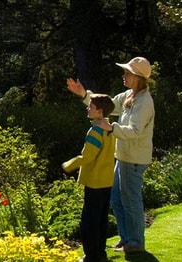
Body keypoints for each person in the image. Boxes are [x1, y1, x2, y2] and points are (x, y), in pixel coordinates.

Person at [67, 57, 155, 255]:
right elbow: (107, 106)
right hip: (123, 156)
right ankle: (126, 239)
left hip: (134, 160)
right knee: (116, 199)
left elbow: (135, 131)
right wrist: (84, 94)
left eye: (127, 73)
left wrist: (111, 127)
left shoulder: (144, 102)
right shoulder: (129, 95)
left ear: (138, 77)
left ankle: (135, 243)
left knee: (131, 201)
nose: (124, 75)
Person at [63, 94, 116, 262]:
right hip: (107, 180)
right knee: (101, 219)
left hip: (94, 182)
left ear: (100, 111)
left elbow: (87, 157)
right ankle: (100, 253)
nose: (88, 108)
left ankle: (91, 256)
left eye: (91, 107)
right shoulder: (111, 129)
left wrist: (69, 165)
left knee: (89, 222)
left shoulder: (95, 131)